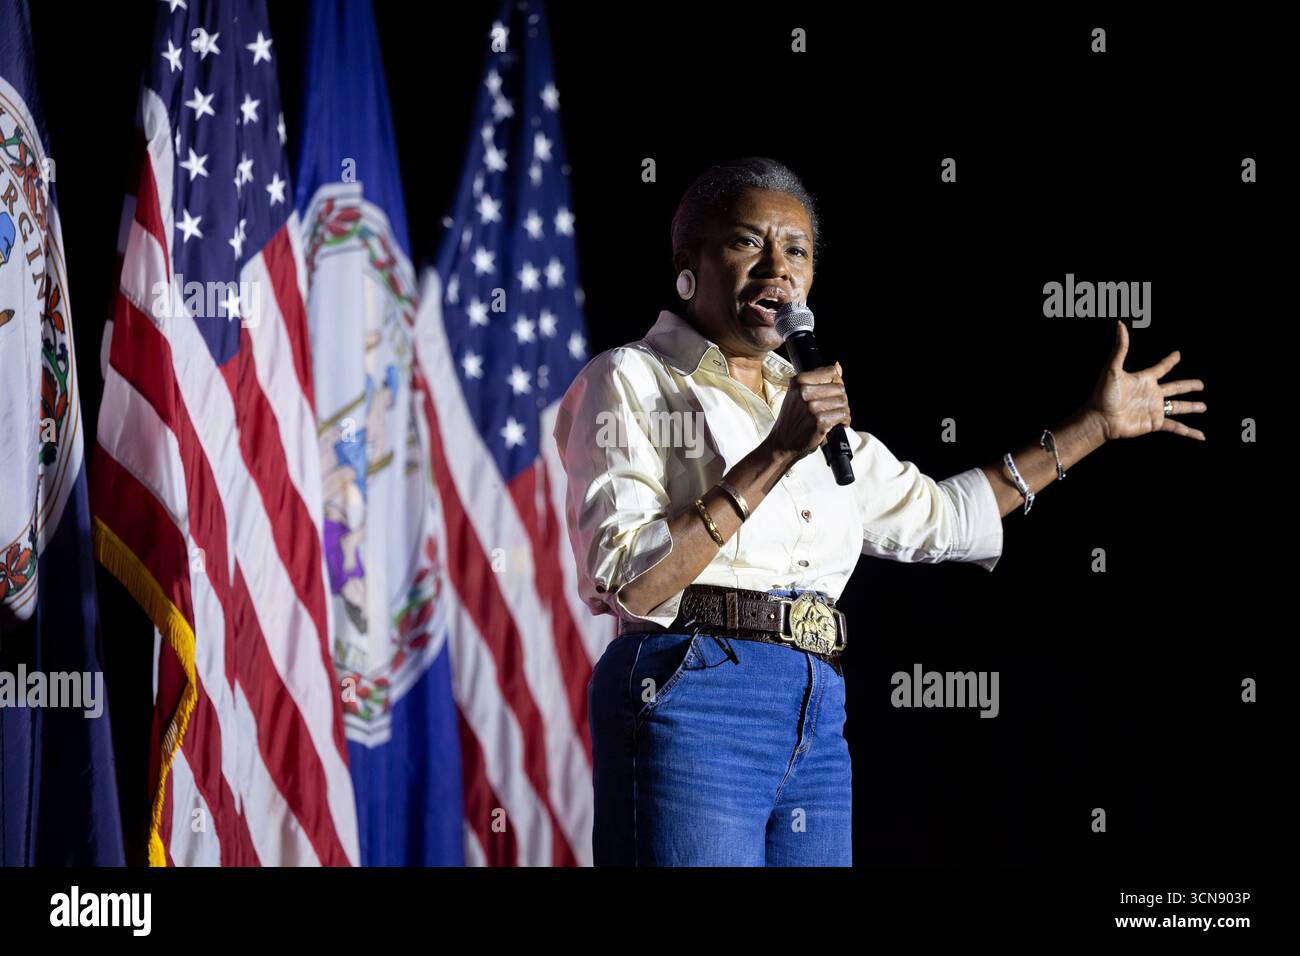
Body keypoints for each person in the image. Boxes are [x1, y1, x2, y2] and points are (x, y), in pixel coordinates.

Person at [552, 157, 1207, 866]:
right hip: (693, 688)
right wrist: (777, 453)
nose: (779, 267)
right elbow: (628, 577)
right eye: (748, 242)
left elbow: (948, 519)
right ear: (688, 264)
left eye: (797, 251)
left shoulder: (813, 413)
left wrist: (1094, 428)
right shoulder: (631, 378)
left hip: (817, 707)